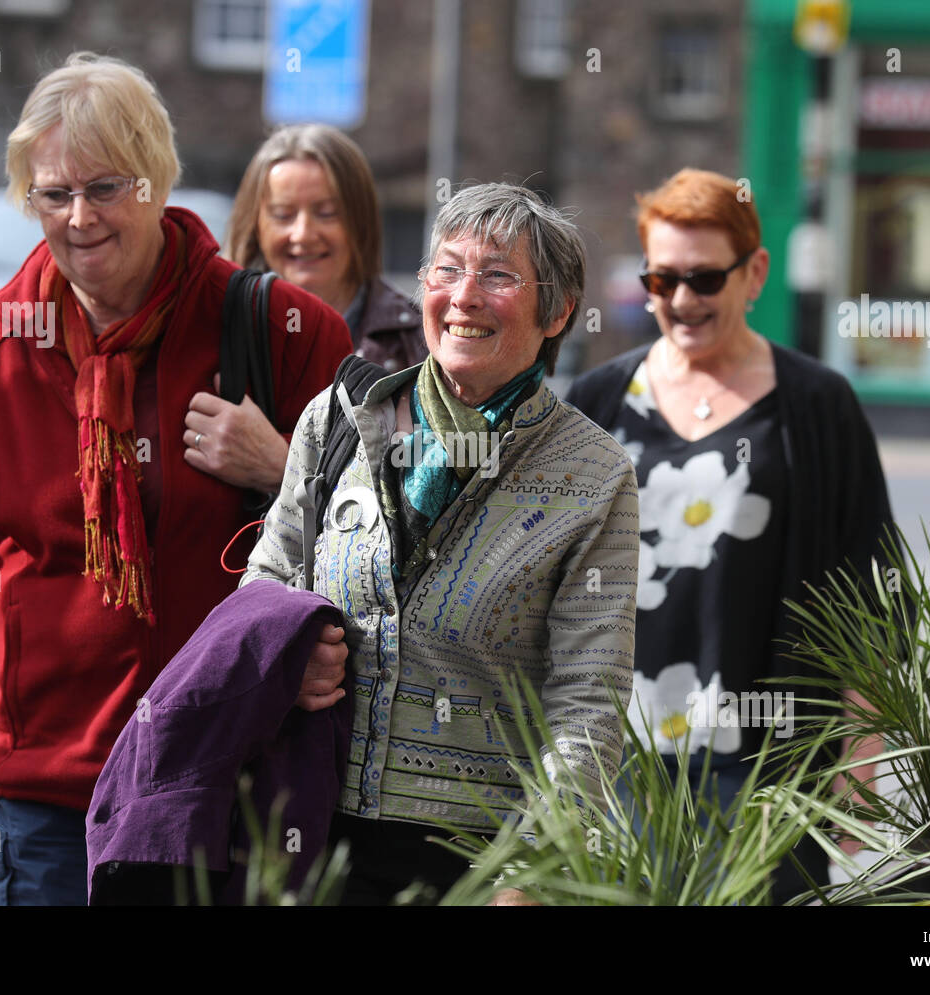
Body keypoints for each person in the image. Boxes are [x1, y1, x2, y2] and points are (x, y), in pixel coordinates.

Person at [0, 52, 352, 905]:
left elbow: (387, 543)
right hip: (48, 807)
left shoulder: (287, 331)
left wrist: (281, 467)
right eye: (53, 194)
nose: (80, 218)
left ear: (156, 180)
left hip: (233, 787)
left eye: (107, 187)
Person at [240, 182, 639, 904]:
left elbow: (589, 697)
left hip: (475, 864)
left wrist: (534, 866)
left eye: (498, 275)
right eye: (446, 269)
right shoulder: (337, 420)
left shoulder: (594, 474)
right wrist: (285, 661)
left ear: (558, 312)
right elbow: (264, 585)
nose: (464, 295)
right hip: (306, 835)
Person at [565, 167, 895, 899]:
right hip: (618, 769)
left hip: (769, 774)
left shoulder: (816, 406)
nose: (682, 301)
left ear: (755, 274)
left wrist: (861, 767)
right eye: (661, 281)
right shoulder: (598, 401)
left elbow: (872, 599)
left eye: (706, 279)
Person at [224, 123, 426, 372]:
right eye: (283, 215)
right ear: (255, 224)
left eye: (327, 213)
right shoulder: (216, 327)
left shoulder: (419, 339)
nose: (303, 234)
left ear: (361, 220)